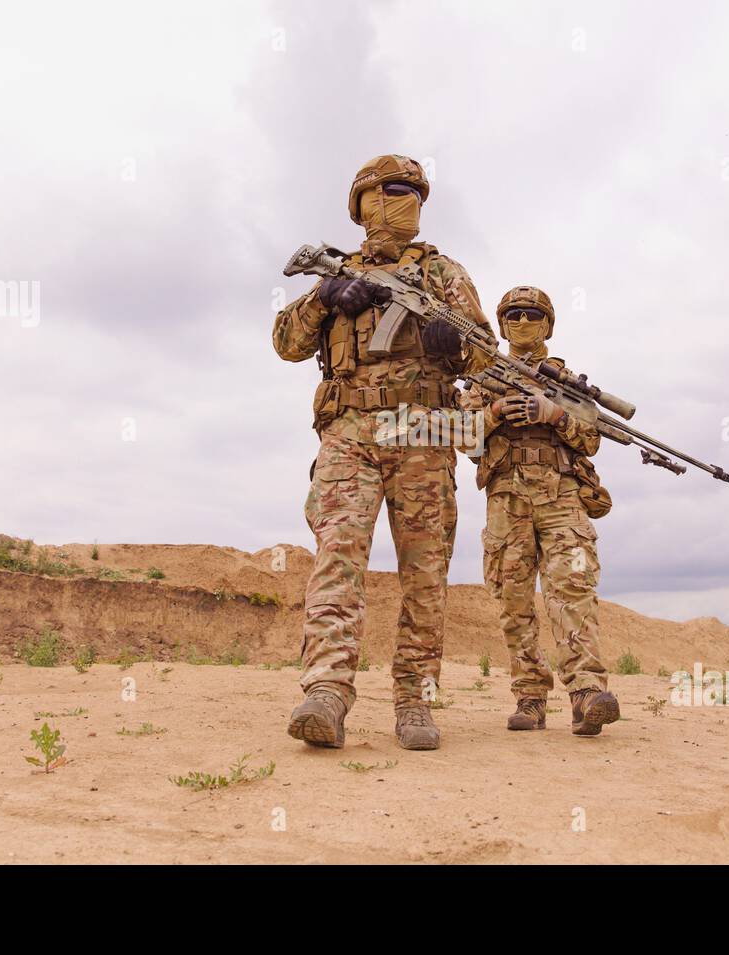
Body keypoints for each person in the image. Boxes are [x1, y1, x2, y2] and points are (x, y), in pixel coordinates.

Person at [272, 154, 492, 750]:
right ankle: (325, 691)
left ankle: (415, 701)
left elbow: (486, 358)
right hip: (349, 431)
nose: (400, 202)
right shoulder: (336, 273)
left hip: (423, 433)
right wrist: (325, 299)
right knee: (337, 559)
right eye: (388, 192)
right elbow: (286, 344)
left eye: (411, 193)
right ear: (362, 203)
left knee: (425, 573)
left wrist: (454, 346)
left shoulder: (445, 274)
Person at [460, 286, 621, 735]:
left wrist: (554, 415)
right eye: (512, 315)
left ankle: (587, 693)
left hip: (562, 498)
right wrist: (494, 412)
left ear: (548, 324)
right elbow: (462, 439)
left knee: (572, 590)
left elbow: (591, 440)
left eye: (532, 315)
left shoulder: (568, 384)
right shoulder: (482, 377)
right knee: (513, 601)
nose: (522, 322)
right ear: (502, 323)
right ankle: (530, 697)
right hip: (506, 499)